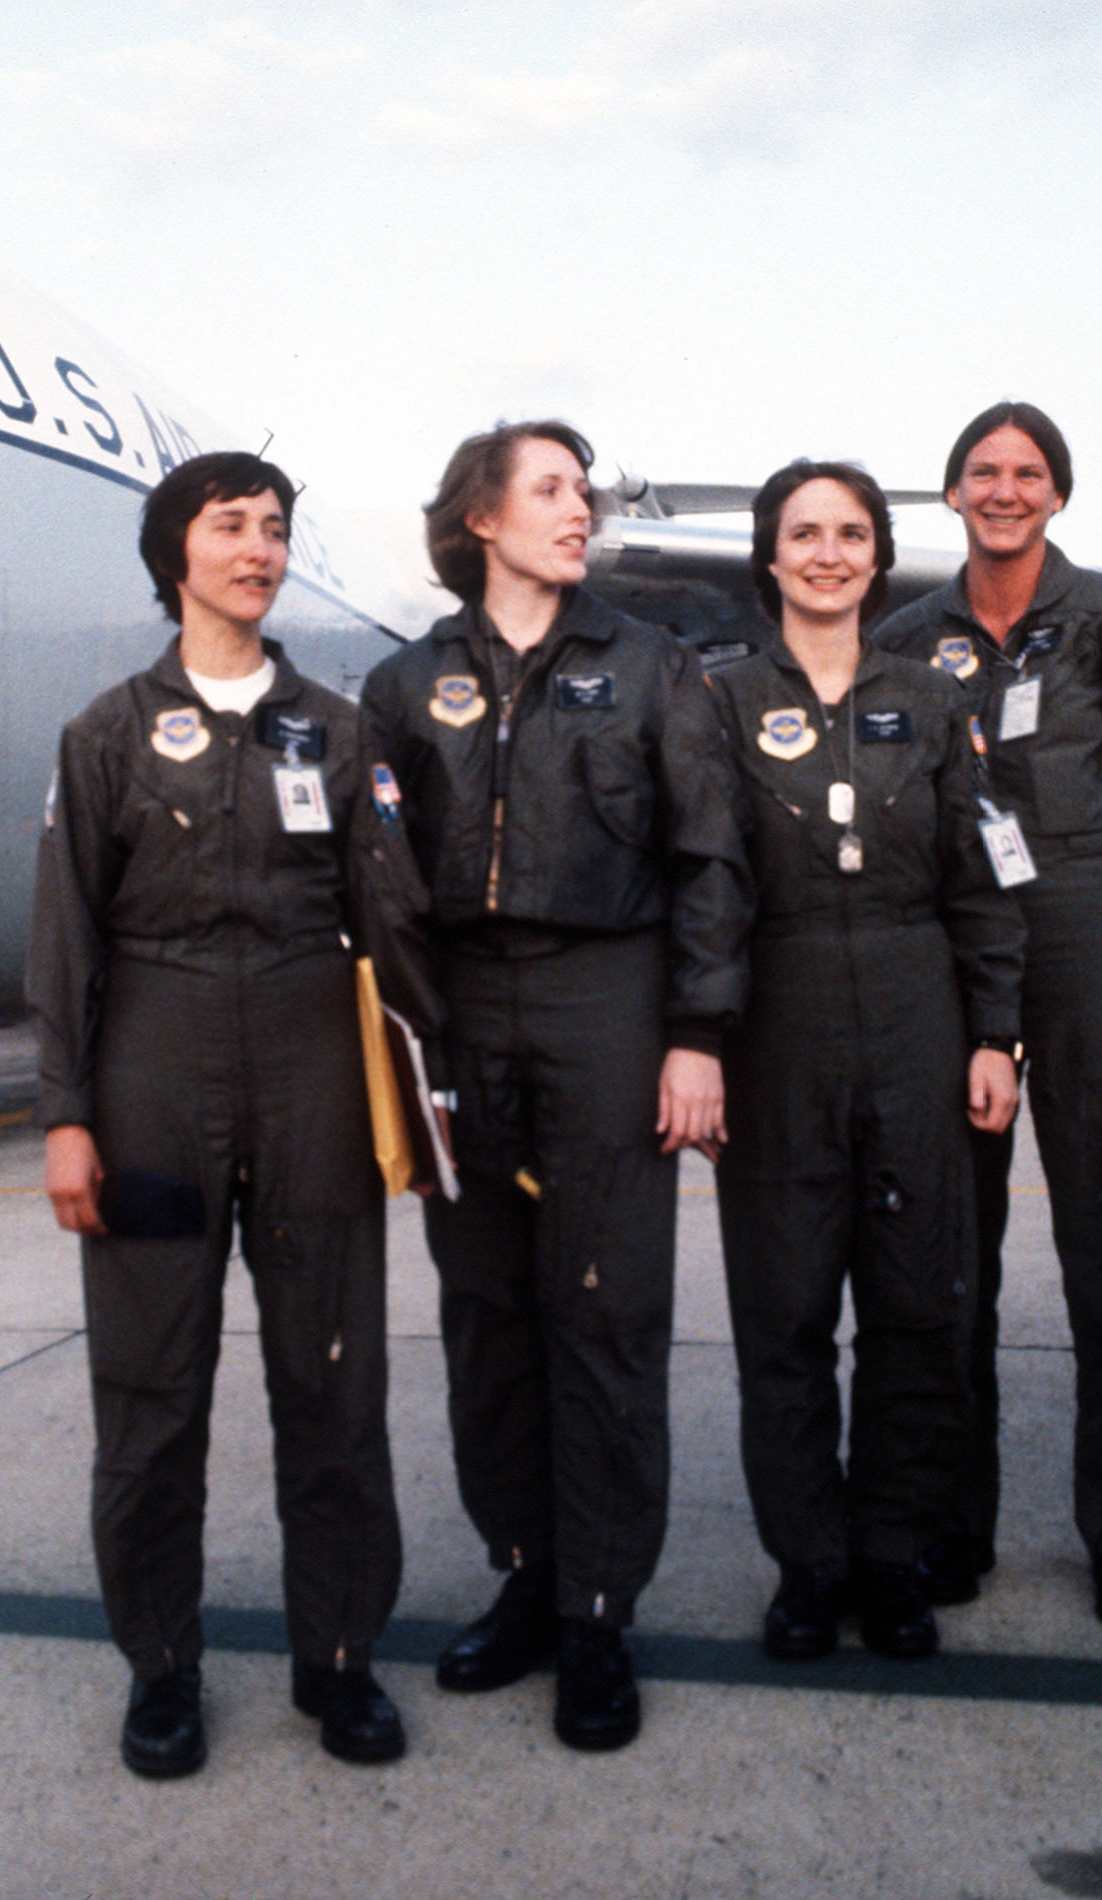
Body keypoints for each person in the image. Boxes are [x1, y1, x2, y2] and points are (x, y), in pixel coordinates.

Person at [28, 450, 443, 1778]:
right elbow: (66, 940)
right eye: (229, 528)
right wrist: (64, 1114)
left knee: (334, 1380)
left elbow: (390, 920)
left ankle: (339, 1661)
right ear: (175, 554)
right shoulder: (101, 736)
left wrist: (429, 1094)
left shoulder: (336, 725)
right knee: (148, 1396)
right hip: (150, 1074)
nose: (257, 549)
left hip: (312, 1063)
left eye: (273, 529)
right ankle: (161, 1668)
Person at [360, 419, 746, 1750]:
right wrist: (419, 1041)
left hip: (608, 1003)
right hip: (461, 1015)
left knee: (605, 1312)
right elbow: (385, 881)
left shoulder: (651, 669)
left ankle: (596, 1613)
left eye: (582, 492)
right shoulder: (406, 685)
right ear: (481, 516)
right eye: (550, 490)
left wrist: (695, 1034)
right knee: (486, 1315)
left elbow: (708, 860)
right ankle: (523, 1577)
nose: (578, 511)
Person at [871, 402, 1102, 1629]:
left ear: (1057, 493)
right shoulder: (905, 634)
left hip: (1087, 929)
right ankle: (952, 1521)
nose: (1003, 490)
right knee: (948, 1257)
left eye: (1026, 472)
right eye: (980, 472)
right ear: (950, 493)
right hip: (951, 940)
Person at [706, 461, 1023, 1661]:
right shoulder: (719, 702)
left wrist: (994, 1032)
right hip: (774, 1027)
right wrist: (701, 1039)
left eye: (850, 533)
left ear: (879, 557)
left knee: (915, 1313)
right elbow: (702, 886)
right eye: (804, 533)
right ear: (770, 556)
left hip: (914, 1018)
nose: (828, 554)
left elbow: (981, 875)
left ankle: (889, 1557)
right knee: (781, 1319)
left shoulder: (933, 703)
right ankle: (807, 1565)